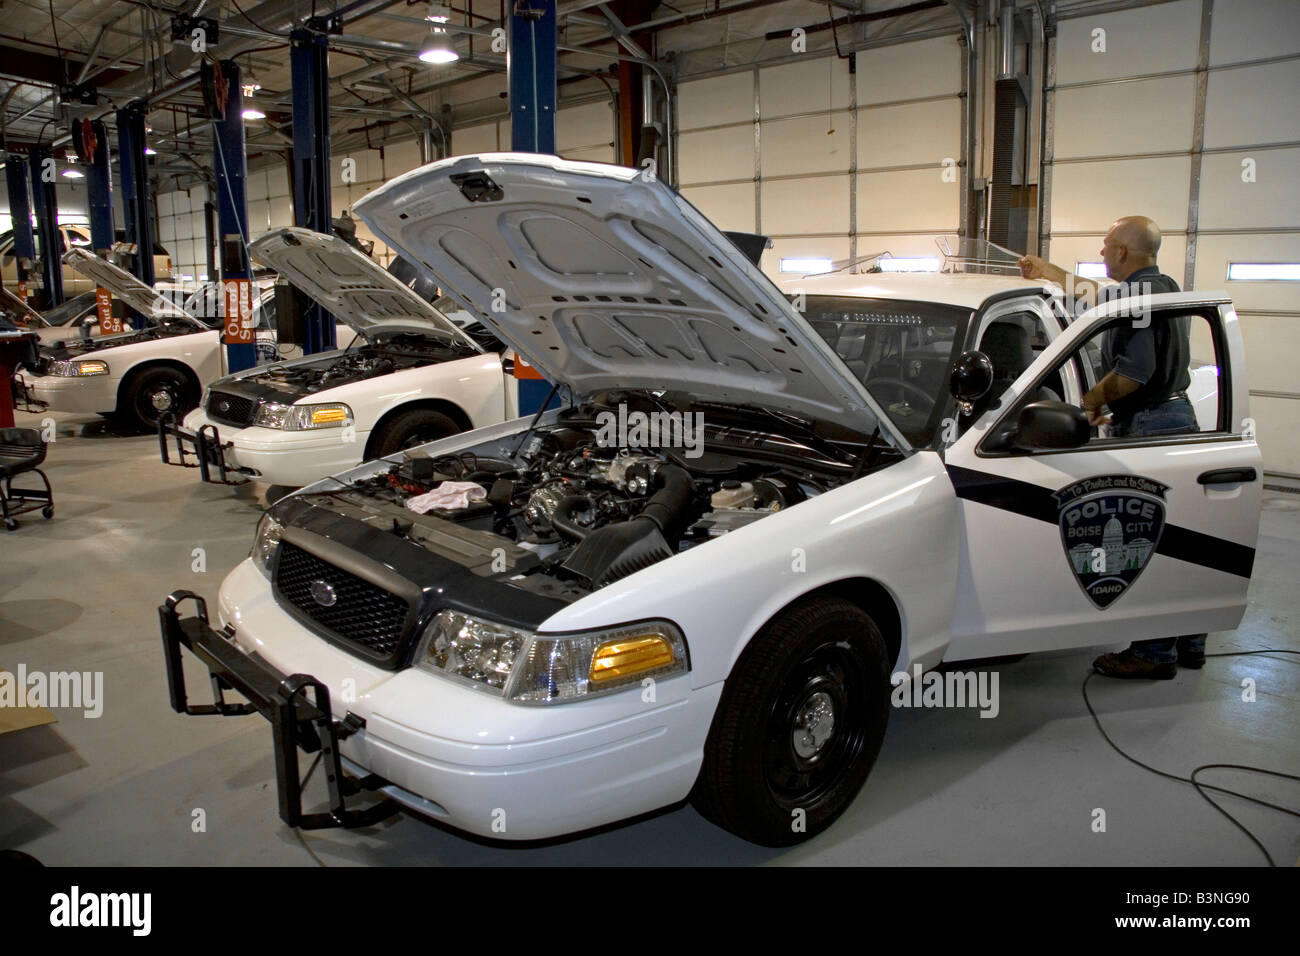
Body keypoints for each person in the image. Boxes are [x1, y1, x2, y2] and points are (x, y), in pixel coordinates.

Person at [1020, 216, 1203, 680]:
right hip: (1170, 416)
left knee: (1148, 541)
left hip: (1151, 427)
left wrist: (1090, 401)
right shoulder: (1164, 286)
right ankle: (1191, 641)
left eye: (1105, 248)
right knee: (1181, 542)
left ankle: (1155, 654)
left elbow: (1132, 375)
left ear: (1123, 252)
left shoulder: (1139, 297)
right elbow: (1103, 300)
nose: (1102, 255)